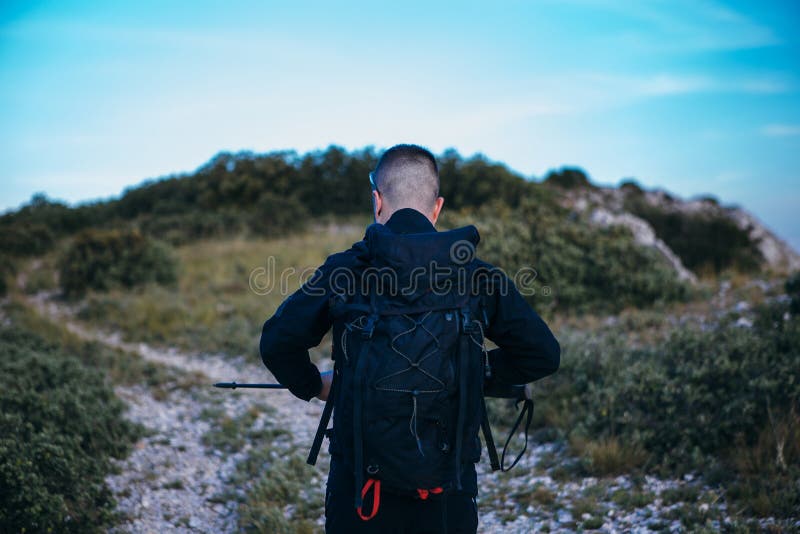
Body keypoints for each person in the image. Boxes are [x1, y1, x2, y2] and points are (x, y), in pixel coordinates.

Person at [260, 144, 560, 533]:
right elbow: (542, 354)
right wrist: (470, 371)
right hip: (448, 492)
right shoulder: (478, 276)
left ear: (377, 201)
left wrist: (316, 385)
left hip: (361, 495)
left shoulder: (345, 271)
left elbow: (277, 343)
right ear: (436, 207)